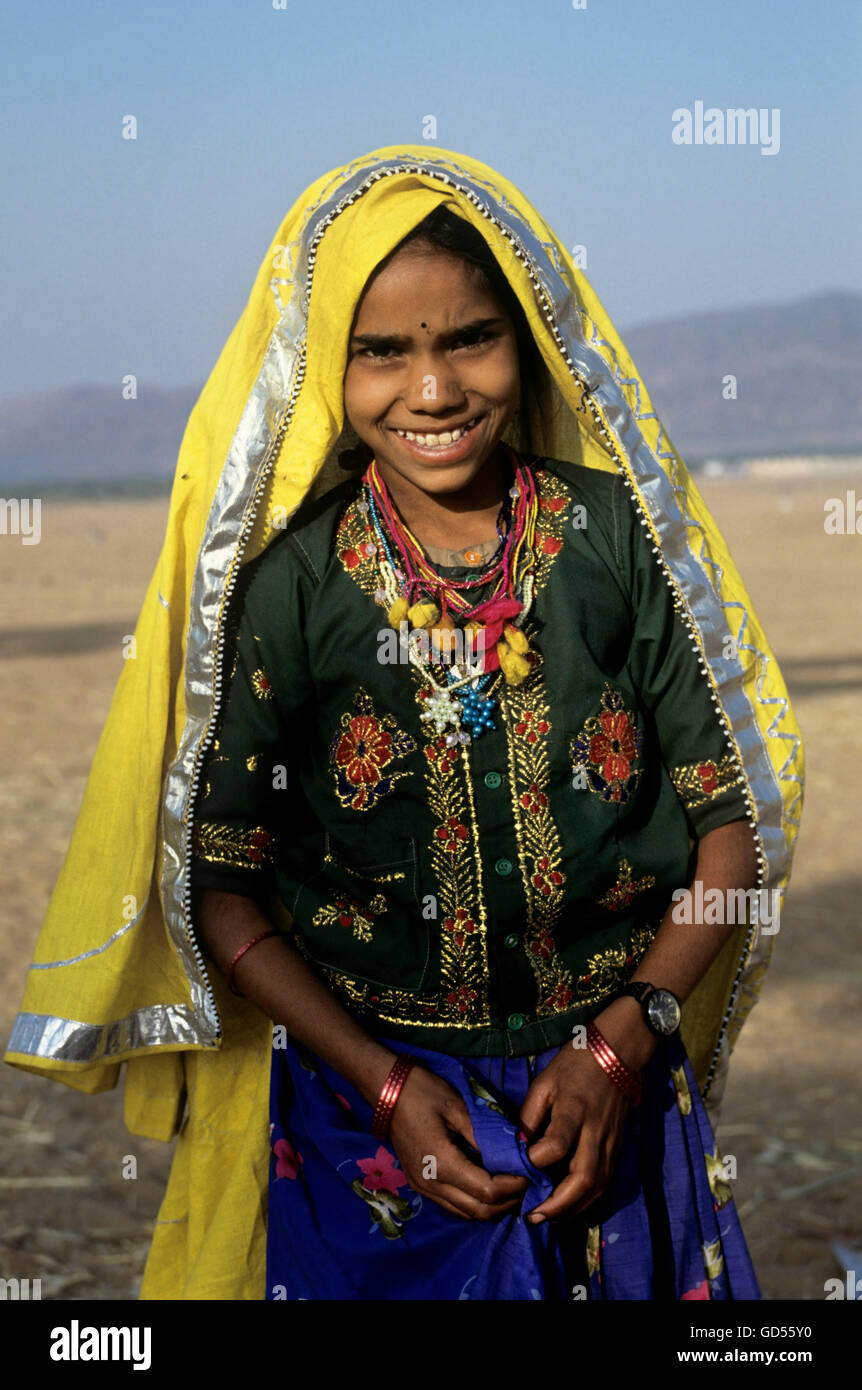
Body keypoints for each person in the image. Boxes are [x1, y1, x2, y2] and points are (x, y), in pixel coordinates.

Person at [4, 146, 804, 1301]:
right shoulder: (292, 586)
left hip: (609, 1096)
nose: (431, 390)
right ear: (327, 366)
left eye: (468, 338)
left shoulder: (611, 538)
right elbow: (223, 885)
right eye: (381, 352)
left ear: (525, 340)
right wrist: (384, 1088)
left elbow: (730, 828)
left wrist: (620, 1041)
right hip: (368, 1115)